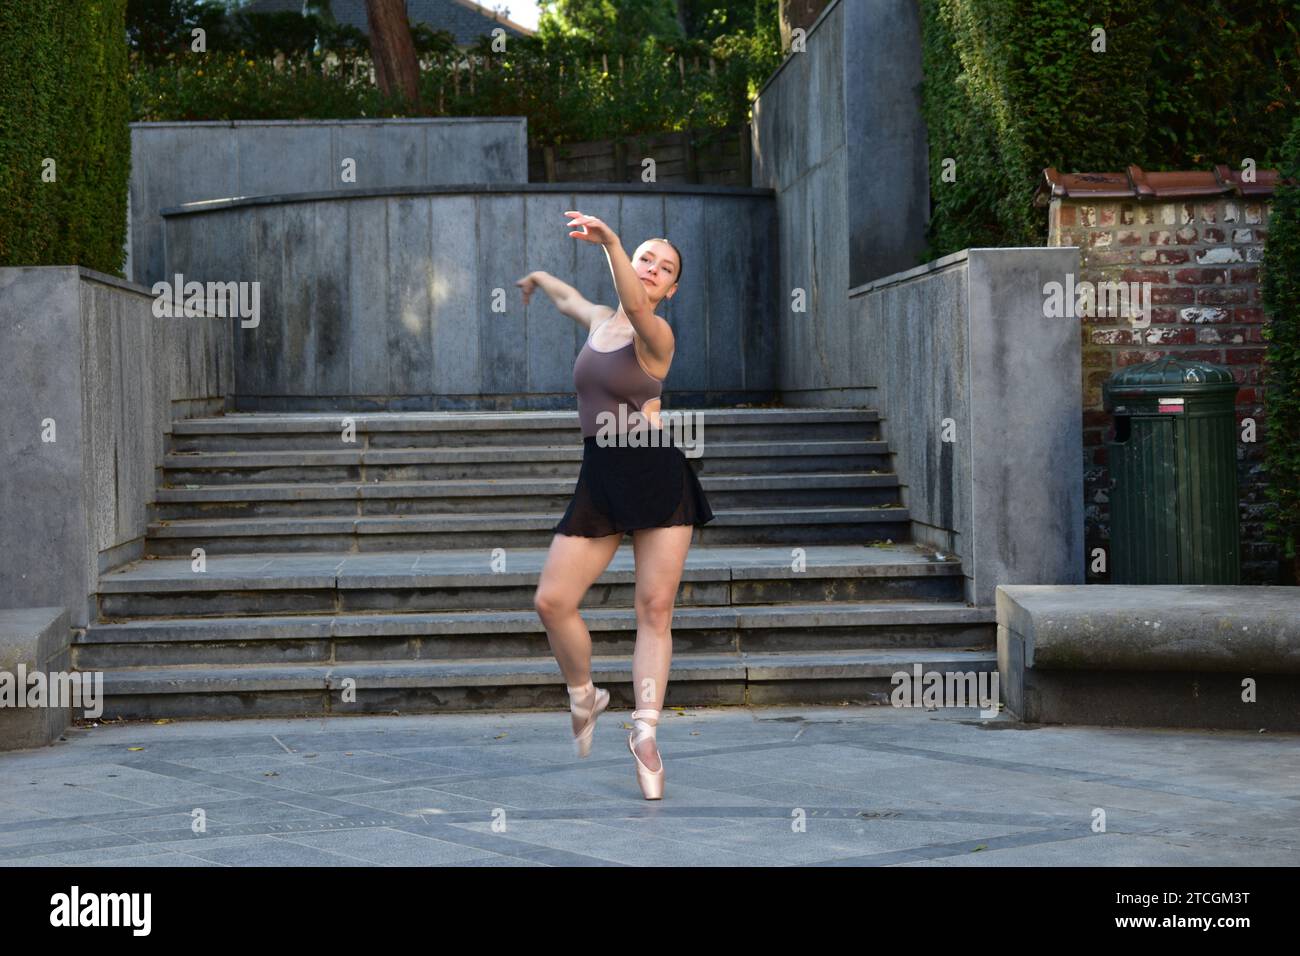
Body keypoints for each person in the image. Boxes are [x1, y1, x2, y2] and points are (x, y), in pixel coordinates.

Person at [517, 211, 714, 800]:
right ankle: (585, 694)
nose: (652, 269)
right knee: (552, 602)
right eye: (646, 259)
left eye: (665, 267)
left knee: (654, 612)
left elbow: (634, 304)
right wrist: (539, 278)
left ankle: (646, 732)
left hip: (656, 474)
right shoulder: (602, 320)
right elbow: (574, 299)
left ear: (671, 288)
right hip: (601, 474)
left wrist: (612, 243)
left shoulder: (657, 334)